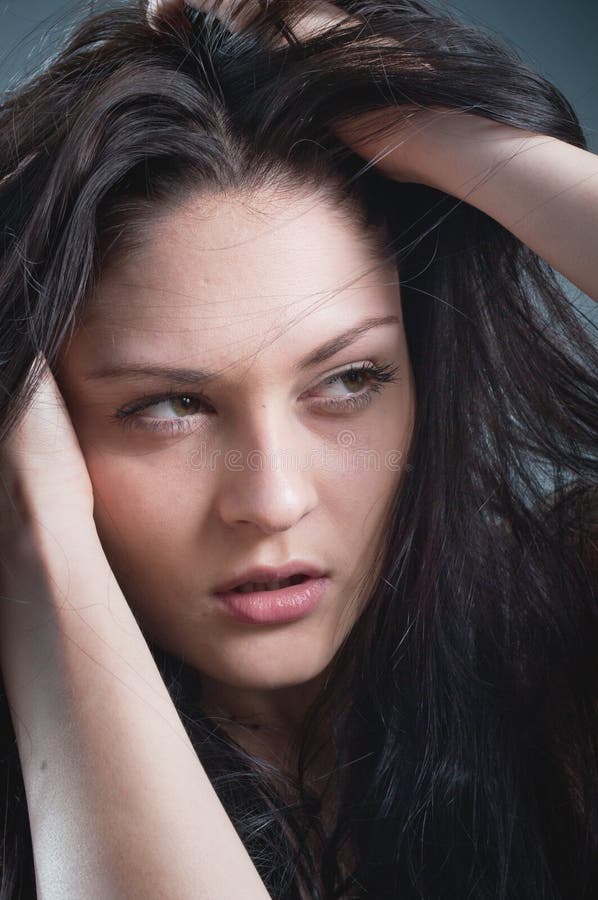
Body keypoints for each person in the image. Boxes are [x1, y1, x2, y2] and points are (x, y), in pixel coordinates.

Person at [0, 0, 597, 897]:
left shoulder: (563, 641)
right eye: (171, 405)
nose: (274, 500)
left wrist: (444, 131)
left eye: (349, 380)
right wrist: (41, 547)